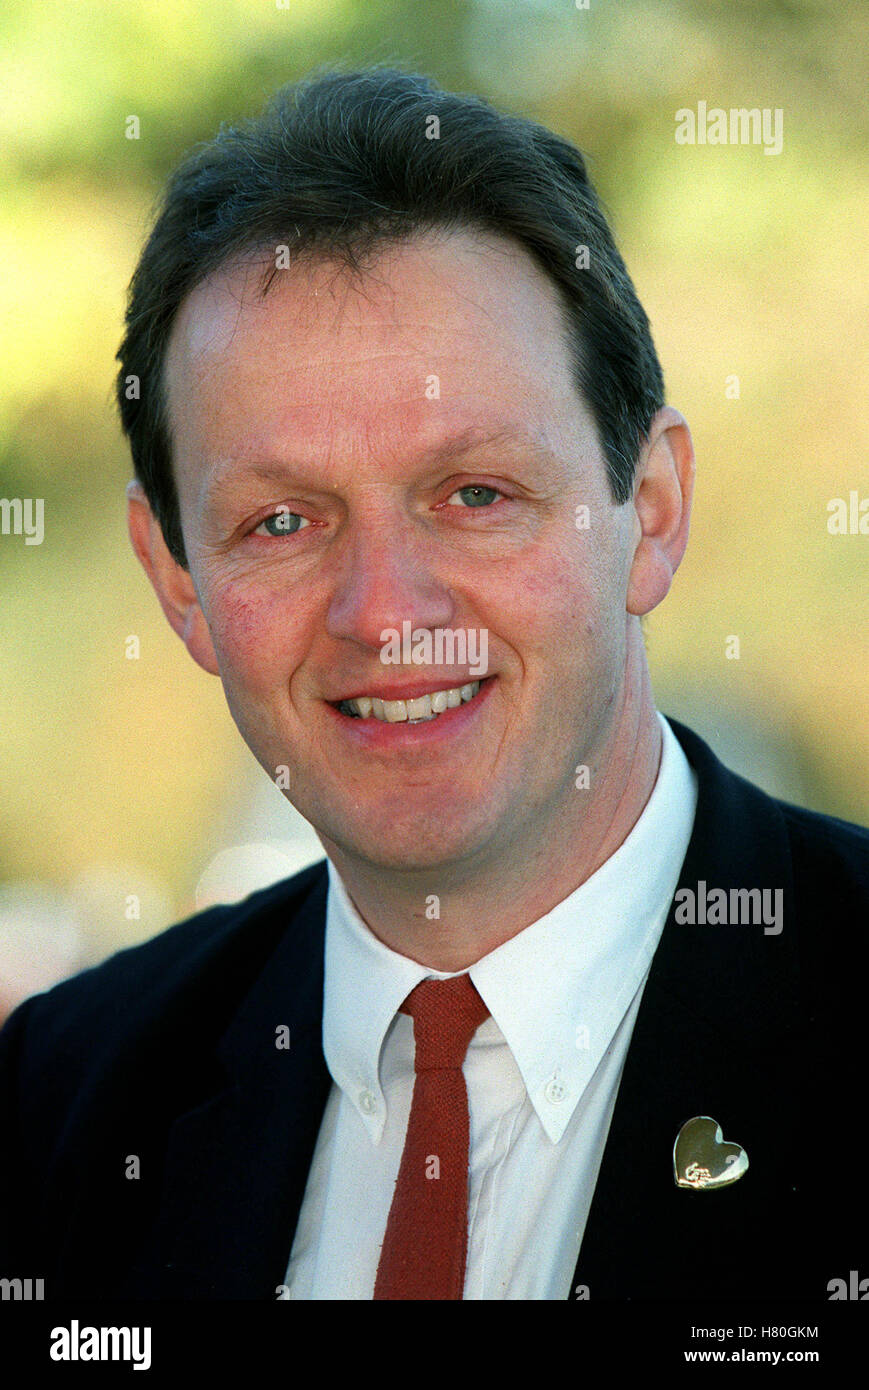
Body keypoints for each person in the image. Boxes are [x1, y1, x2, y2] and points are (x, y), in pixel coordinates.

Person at [1, 67, 866, 1303]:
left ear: (653, 509)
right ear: (178, 579)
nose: (386, 615)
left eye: (474, 495)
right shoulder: (62, 1106)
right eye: (284, 520)